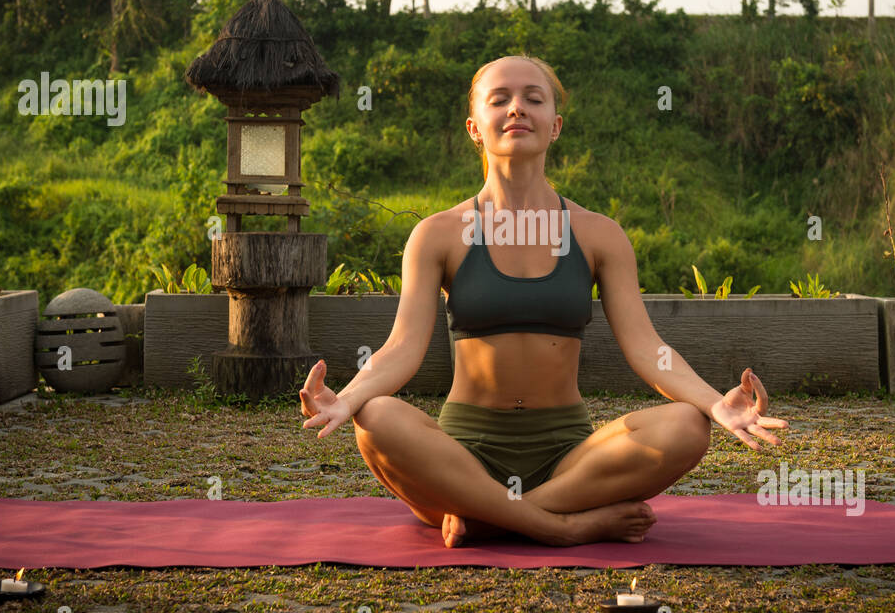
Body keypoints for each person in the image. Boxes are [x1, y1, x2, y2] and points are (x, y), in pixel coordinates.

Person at [299, 55, 789, 548]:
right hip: (462, 457)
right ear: (474, 128)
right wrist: (349, 399)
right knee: (377, 418)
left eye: (533, 99)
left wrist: (714, 404)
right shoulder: (437, 235)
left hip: (569, 459)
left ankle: (488, 516)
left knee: (687, 426)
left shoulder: (598, 235)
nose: (517, 109)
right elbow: (402, 348)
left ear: (555, 126)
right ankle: (560, 526)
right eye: (499, 100)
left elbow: (647, 348)